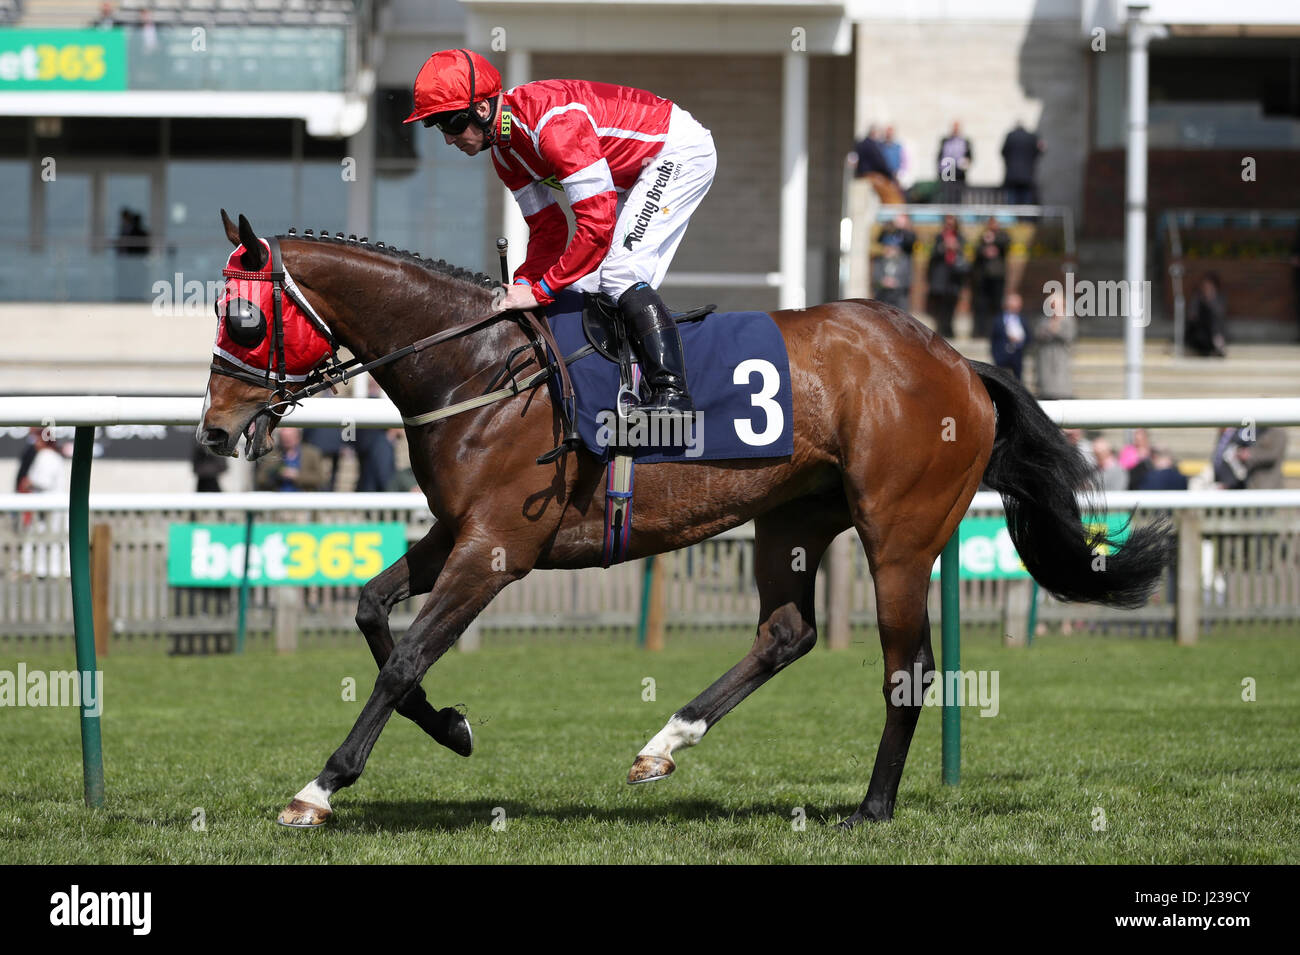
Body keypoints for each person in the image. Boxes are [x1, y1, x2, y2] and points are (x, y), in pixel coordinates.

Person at [405, 49, 716, 418]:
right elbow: (548, 228)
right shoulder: (505, 153)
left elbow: (596, 228)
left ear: (482, 110)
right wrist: (522, 285)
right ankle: (610, 386)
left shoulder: (554, 129)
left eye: (449, 123)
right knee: (582, 287)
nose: (447, 139)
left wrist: (540, 291)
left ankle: (672, 396)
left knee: (620, 273)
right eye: (437, 127)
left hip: (675, 152)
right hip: (631, 175)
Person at [925, 215, 968, 338]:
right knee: (940, 305)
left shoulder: (960, 238)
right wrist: (943, 247)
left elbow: (966, 257)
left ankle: (949, 329)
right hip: (941, 276)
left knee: (952, 304)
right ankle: (941, 329)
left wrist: (957, 248)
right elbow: (932, 255)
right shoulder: (939, 237)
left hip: (955, 276)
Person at [1032, 287, 1075, 399]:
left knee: (1060, 382)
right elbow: (1038, 333)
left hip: (1059, 358)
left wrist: (1055, 330)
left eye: (1055, 304)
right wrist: (1049, 330)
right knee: (1045, 384)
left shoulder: (1067, 320)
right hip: (1045, 357)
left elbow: (1069, 336)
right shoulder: (1044, 320)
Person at [970, 217, 1009, 338]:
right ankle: (981, 331)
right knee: (982, 305)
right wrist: (985, 247)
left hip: (997, 277)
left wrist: (993, 240)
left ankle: (996, 330)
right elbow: (976, 251)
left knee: (997, 305)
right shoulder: (983, 237)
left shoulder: (1002, 236)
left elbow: (1006, 243)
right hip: (983, 278)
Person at [254, 428, 326, 492]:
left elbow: (320, 479)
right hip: (277, 499)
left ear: (299, 437)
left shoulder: (312, 453)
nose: (287, 441)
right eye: (284, 438)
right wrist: (276, 474)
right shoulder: (271, 455)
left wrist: (297, 475)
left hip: (303, 499)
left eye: (290, 438)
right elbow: (260, 478)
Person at [1001, 122, 1044, 206]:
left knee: (1012, 204)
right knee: (1026, 204)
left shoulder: (1010, 136)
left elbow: (1003, 152)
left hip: (1012, 175)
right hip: (1027, 176)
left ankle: (1014, 218)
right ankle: (1025, 219)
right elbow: (1038, 152)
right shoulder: (1032, 137)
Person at [991, 292, 1031, 381]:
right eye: (1014, 303)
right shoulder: (998, 320)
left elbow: (1029, 337)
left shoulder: (1023, 320)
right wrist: (996, 355)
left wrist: (1021, 342)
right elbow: (994, 339)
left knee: (1018, 382)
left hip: (1017, 355)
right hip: (1002, 356)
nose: (1017, 305)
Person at [1187, 272, 1227, 357]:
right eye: (1205, 286)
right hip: (1200, 330)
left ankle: (1218, 345)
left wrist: (1210, 301)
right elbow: (1192, 315)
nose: (1207, 288)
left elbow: (1219, 314)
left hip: (1214, 331)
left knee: (1214, 323)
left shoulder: (1219, 298)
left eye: (1209, 286)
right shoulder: (1198, 297)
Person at [871, 232, 911, 311]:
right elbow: (875, 278)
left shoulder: (905, 261)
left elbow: (908, 280)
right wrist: (882, 281)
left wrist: (896, 282)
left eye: (891, 248)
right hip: (882, 299)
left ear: (898, 249)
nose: (888, 250)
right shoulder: (879, 261)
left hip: (899, 301)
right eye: (886, 247)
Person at [937, 121, 972, 202]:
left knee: (957, 197)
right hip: (947, 172)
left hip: (959, 174)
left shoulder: (965, 142)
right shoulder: (945, 141)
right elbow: (940, 157)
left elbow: (969, 157)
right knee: (946, 196)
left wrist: (965, 164)